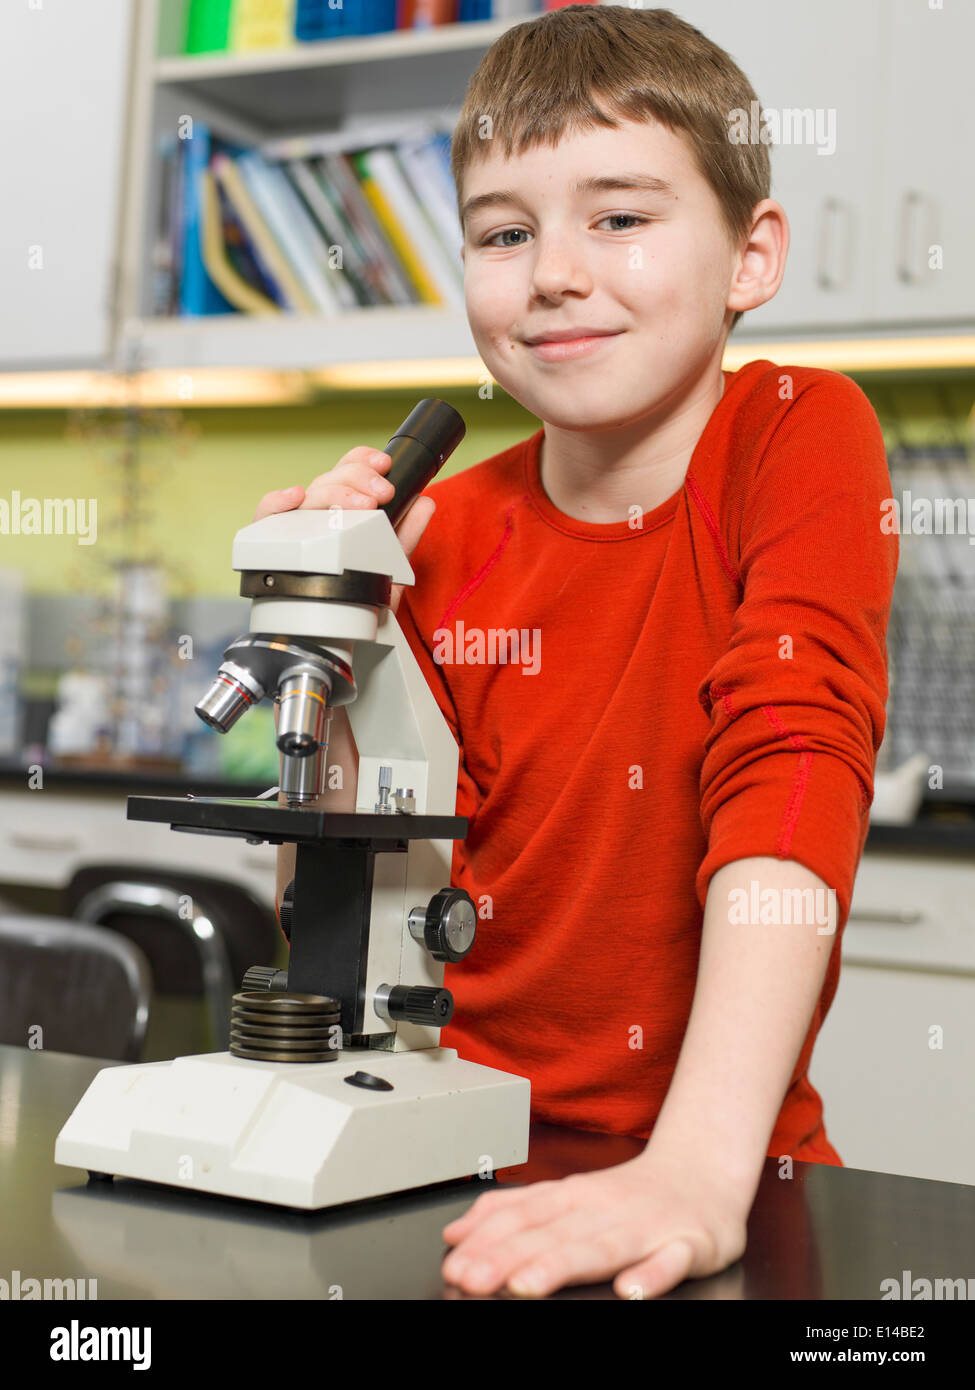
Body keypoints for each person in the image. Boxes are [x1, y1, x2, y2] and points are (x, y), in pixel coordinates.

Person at [254, 5, 897, 1298]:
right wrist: (333, 622)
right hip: (453, 1151)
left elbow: (795, 750)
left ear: (750, 254)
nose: (553, 271)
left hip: (715, 1171)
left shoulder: (794, 432)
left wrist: (698, 1165)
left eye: (619, 216)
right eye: (505, 230)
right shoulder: (439, 527)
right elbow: (335, 875)